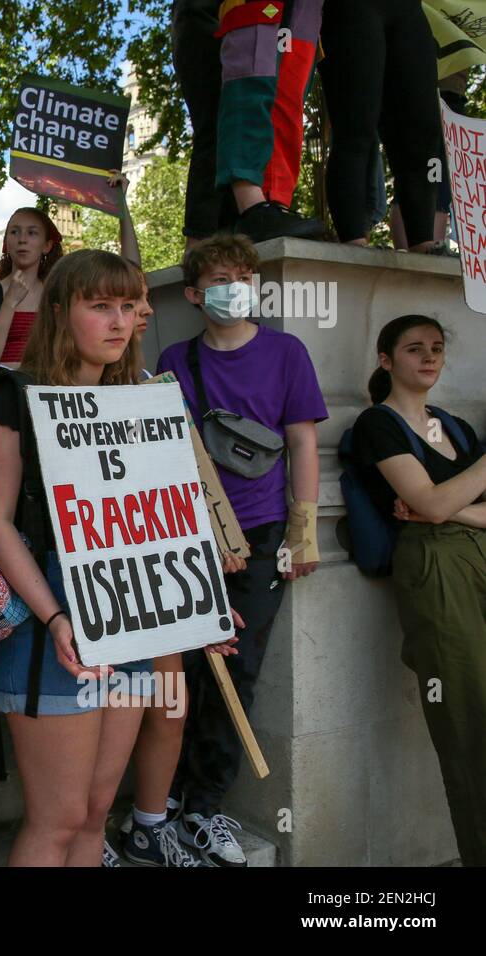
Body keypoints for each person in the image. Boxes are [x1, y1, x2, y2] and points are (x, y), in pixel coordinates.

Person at [154, 233, 326, 865]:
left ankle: (206, 804)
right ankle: (164, 799)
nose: (237, 288)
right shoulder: (174, 358)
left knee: (239, 670)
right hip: (187, 537)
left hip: (258, 537)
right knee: (184, 670)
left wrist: (302, 530)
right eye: (222, 280)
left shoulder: (286, 352)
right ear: (195, 295)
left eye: (245, 276)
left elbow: (303, 441)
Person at [0, 249, 153, 867]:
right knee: (57, 818)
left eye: (129, 306)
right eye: (100, 305)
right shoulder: (15, 394)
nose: (118, 320)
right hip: (47, 614)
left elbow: (160, 525)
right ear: (59, 311)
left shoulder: (142, 401)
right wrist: (54, 618)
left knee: (94, 814)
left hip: (132, 614)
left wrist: (199, 612)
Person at [349, 314, 486, 865]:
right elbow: (426, 507)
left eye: (436, 348)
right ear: (386, 360)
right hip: (434, 565)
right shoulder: (376, 425)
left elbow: (436, 504)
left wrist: (445, 506)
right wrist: (439, 506)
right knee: (469, 721)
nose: (429, 358)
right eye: (413, 349)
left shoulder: (452, 425)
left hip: (469, 548)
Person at [171, 0, 325, 245]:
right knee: (217, 123)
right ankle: (199, 248)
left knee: (266, 110)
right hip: (207, 12)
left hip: (276, 14)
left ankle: (255, 220)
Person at [320, 1, 442, 252]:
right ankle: (354, 239)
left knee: (423, 133)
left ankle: (423, 241)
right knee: (356, 126)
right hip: (353, 9)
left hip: (408, 10)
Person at [0, 207, 62, 369]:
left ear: (47, 245)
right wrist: (9, 303)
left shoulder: (56, 296)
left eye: (32, 233)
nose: (22, 239)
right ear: (6, 243)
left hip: (41, 390)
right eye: (14, 232)